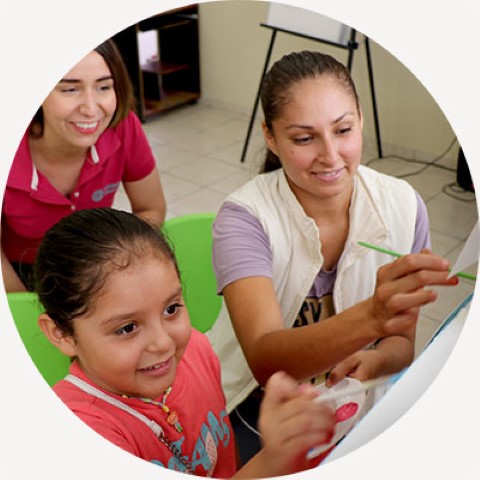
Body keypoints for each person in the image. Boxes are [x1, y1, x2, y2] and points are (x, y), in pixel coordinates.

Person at [207, 50, 459, 464]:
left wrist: (376, 359)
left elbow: (401, 343)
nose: (330, 155)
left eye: (343, 129)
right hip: (253, 404)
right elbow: (266, 361)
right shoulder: (244, 218)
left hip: (350, 401)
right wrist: (372, 317)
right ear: (270, 136)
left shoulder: (403, 206)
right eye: (304, 138)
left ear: (360, 118)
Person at [34, 207, 337, 478]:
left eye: (171, 309)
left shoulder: (195, 348)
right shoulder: (84, 435)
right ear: (61, 333)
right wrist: (273, 461)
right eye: (127, 328)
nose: (163, 343)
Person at [2, 39, 166, 292]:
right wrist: (22, 308)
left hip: (97, 264)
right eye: (69, 90)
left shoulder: (123, 127)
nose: (91, 109)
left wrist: (118, 264)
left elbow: (151, 209)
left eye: (103, 87)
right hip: (19, 272)